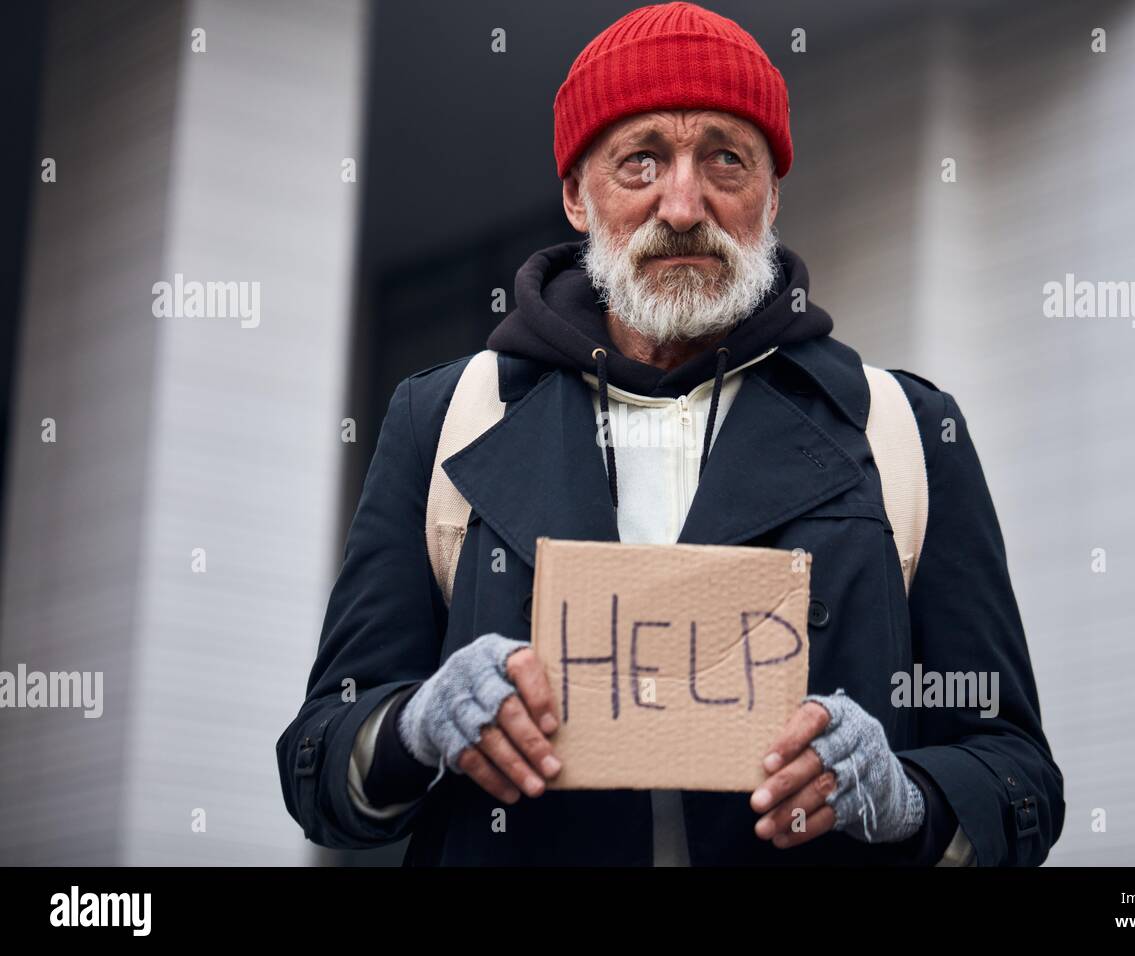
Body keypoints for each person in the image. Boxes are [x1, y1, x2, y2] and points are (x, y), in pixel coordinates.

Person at [276, 1, 1064, 866]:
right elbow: (318, 762)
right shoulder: (447, 418)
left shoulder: (905, 432)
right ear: (578, 196)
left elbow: (1018, 775)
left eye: (725, 157)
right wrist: (418, 723)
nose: (683, 205)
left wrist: (902, 796)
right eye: (641, 159)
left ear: (772, 197)